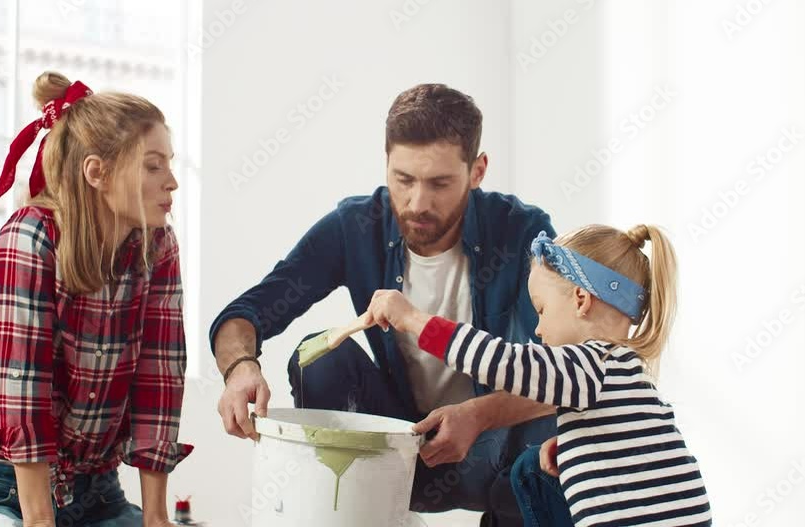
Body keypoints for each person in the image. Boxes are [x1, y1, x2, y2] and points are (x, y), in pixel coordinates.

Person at [212, 83, 557, 525]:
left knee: (552, 410)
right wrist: (240, 369)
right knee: (317, 355)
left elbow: (565, 369)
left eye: (439, 183)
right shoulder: (355, 225)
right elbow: (245, 314)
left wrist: (477, 414)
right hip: (390, 450)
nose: (418, 203)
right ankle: (346, 512)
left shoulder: (523, 230)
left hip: (491, 450)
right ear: (387, 163)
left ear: (477, 171)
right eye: (404, 179)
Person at [0, 71, 192, 527]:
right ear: (97, 172)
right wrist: (40, 520)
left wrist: (156, 518)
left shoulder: (158, 246)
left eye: (169, 164)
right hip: (5, 489)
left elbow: (159, 381)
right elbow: (24, 390)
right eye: (153, 165)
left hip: (98, 494)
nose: (171, 181)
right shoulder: (30, 237)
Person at [364, 225, 713, 526]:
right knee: (532, 468)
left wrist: (411, 319)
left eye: (542, 310)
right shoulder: (625, 368)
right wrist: (580, 447)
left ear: (581, 300)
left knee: (528, 472)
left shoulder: (586, 364)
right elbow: (638, 449)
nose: (539, 331)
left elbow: (501, 361)